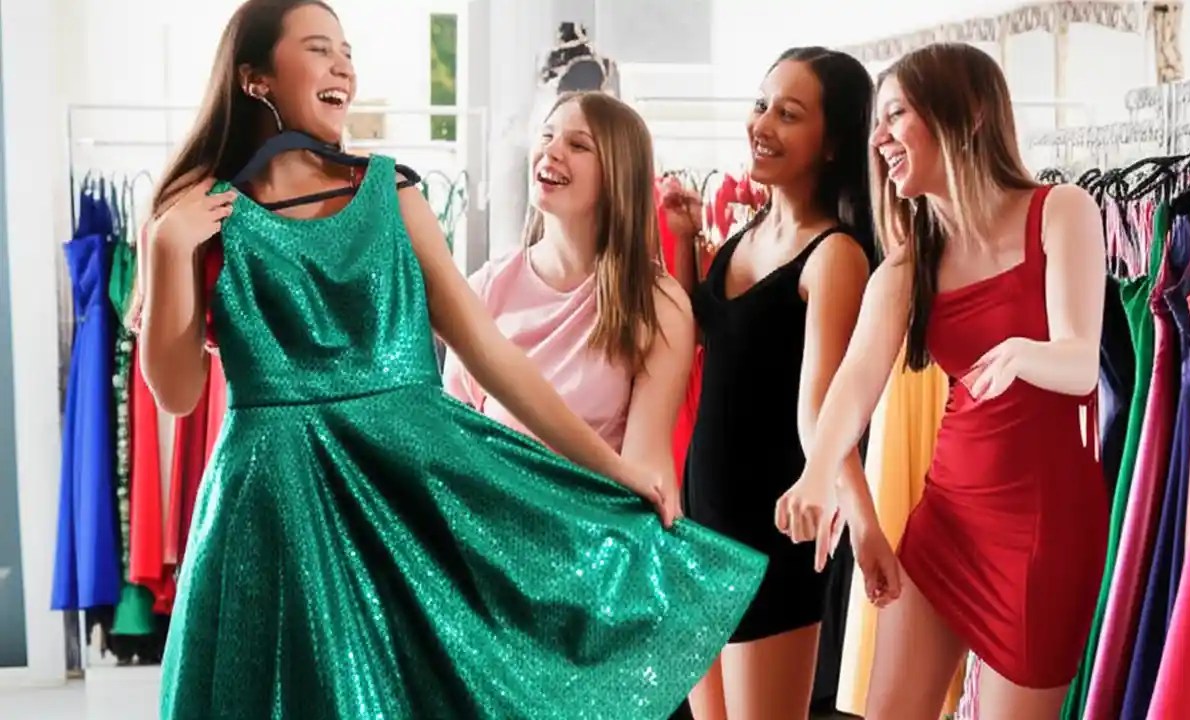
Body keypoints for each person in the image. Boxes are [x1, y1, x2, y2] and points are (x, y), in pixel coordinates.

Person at [132, 2, 766, 718]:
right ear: (254, 78)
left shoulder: (393, 195)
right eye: (318, 49)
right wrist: (163, 250)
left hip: (406, 491)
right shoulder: (201, 219)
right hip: (269, 511)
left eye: (347, 50)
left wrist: (615, 468)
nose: (344, 64)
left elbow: (492, 354)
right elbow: (179, 393)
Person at [777, 42, 1109, 719]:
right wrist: (817, 475)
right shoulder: (906, 269)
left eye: (895, 114)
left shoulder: (1062, 210)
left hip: (1044, 539)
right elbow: (853, 387)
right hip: (948, 523)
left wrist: (1021, 351)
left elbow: (1079, 365)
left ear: (966, 113)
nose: (878, 138)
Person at [442, 90, 700, 720]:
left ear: (618, 174)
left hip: (596, 577)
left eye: (577, 144)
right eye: (548, 135)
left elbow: (645, 472)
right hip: (493, 574)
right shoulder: (483, 290)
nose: (550, 151)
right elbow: (456, 448)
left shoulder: (658, 304)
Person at [666, 46, 878, 720]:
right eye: (761, 105)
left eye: (788, 114)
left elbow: (823, 410)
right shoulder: (743, 236)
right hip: (704, 523)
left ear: (832, 143)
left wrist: (862, 520)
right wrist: (682, 237)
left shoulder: (836, 255)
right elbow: (696, 343)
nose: (762, 124)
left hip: (772, 536)